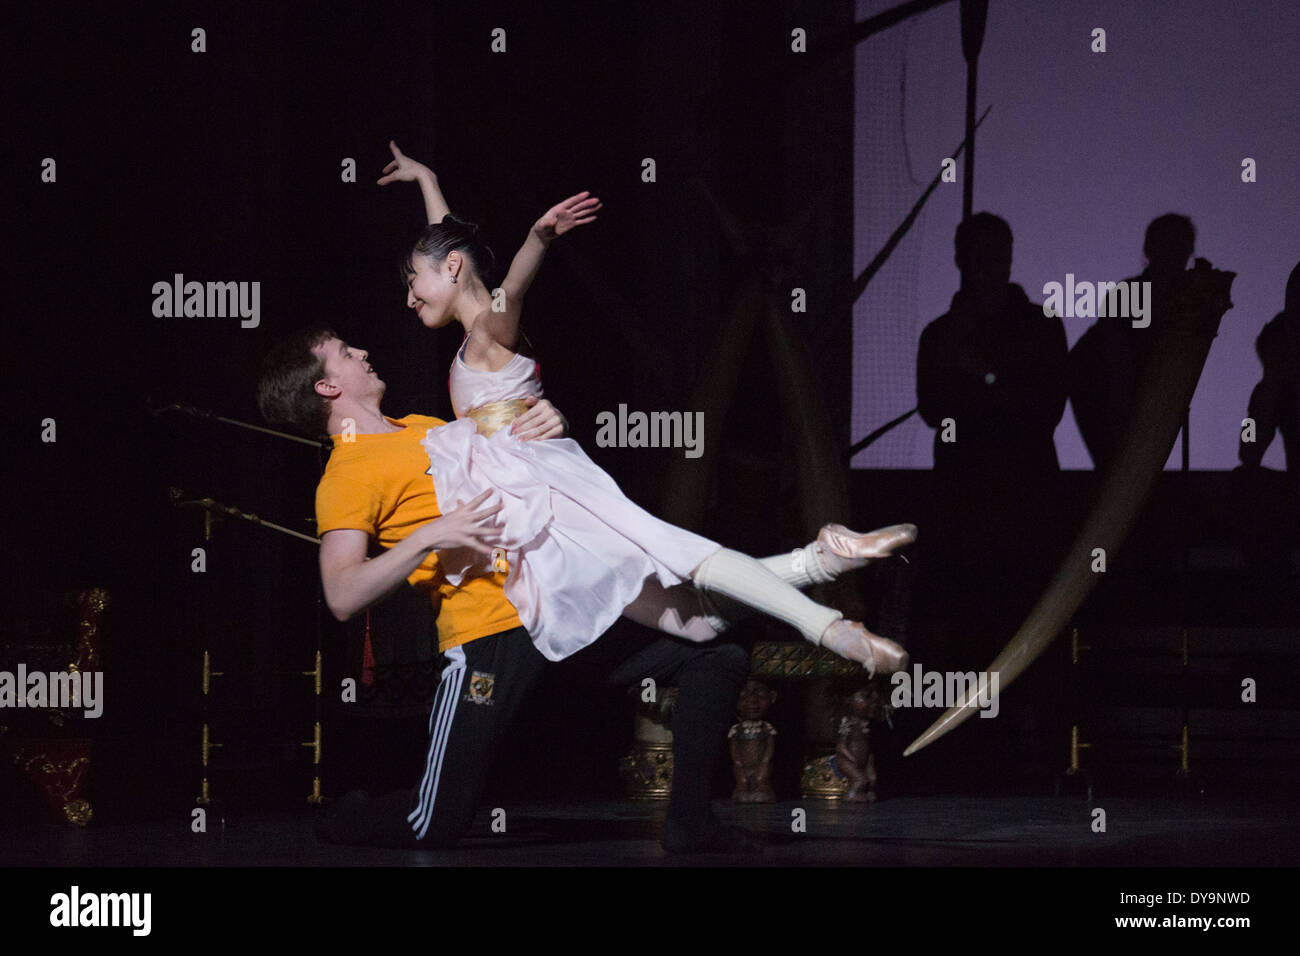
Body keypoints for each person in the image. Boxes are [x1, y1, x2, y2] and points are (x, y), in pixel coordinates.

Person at [256, 330, 910, 852]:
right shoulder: (344, 476)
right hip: (489, 640)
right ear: (327, 385)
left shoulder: (425, 426)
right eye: (346, 352)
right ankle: (346, 820)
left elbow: (514, 442)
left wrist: (544, 421)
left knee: (715, 652)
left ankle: (691, 822)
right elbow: (342, 594)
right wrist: (433, 536)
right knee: (436, 823)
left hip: (562, 602)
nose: (363, 351)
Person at [378, 141, 915, 672]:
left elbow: (511, 291)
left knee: (677, 552)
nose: (409, 297)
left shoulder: (487, 333)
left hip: (546, 485)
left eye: (412, 281)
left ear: (450, 269)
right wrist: (426, 180)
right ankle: (823, 558)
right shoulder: (474, 327)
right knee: (694, 621)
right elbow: (450, 245)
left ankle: (831, 629)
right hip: (532, 496)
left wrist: (537, 239)